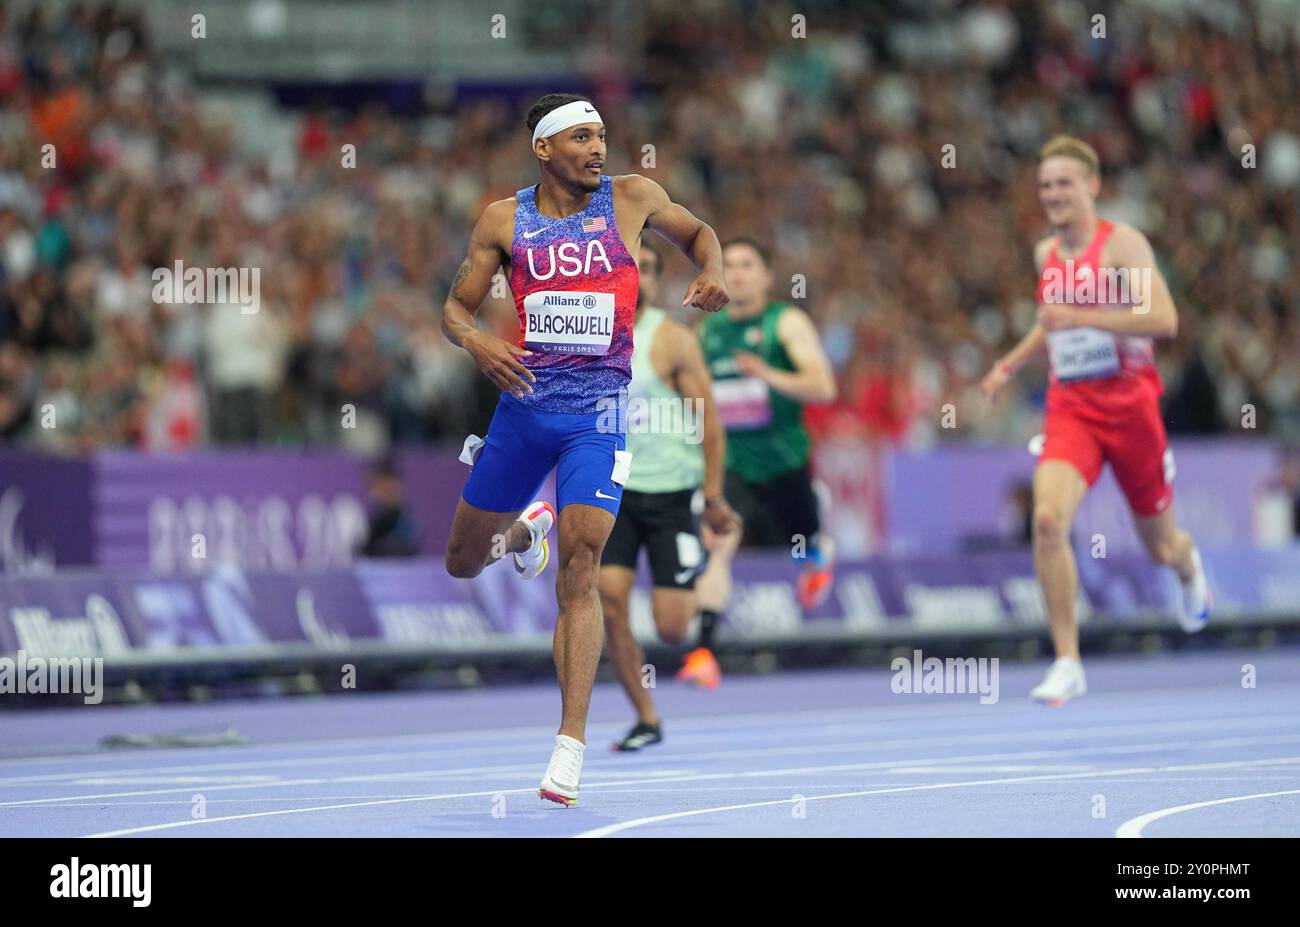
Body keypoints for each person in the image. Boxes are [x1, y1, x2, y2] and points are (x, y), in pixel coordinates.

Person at [439, 93, 728, 805]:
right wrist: (478, 342)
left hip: (599, 414)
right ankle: (523, 527)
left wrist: (713, 270)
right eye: (580, 137)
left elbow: (700, 235)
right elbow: (454, 309)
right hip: (523, 410)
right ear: (544, 148)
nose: (598, 148)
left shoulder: (632, 197)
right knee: (463, 562)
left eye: (602, 135)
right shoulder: (504, 220)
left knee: (582, 565)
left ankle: (569, 745)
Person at [980, 134, 1212, 706]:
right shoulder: (1044, 255)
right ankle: (1067, 660)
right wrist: (1009, 363)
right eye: (1045, 185)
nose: (1053, 194)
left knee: (1160, 546)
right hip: (1071, 410)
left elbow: (1162, 318)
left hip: (1132, 411)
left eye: (1063, 183)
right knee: (1048, 521)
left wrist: (1080, 312)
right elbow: (1052, 322)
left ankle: (1188, 568)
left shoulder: (1122, 245)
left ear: (1092, 185)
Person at [598, 240, 740, 752]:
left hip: (672, 495)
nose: (643, 277)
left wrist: (715, 495)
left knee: (672, 628)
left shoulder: (672, 342)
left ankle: (713, 567)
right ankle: (646, 716)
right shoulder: (590, 340)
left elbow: (712, 425)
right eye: (634, 268)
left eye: (652, 270)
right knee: (610, 602)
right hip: (613, 491)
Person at [686, 237, 836, 687]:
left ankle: (816, 551)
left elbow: (823, 387)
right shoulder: (706, 332)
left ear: (767, 276)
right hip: (732, 465)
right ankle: (704, 651)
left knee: (802, 538)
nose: (736, 272)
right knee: (719, 546)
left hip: (786, 461)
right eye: (728, 264)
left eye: (747, 264)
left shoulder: (785, 323)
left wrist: (766, 374)